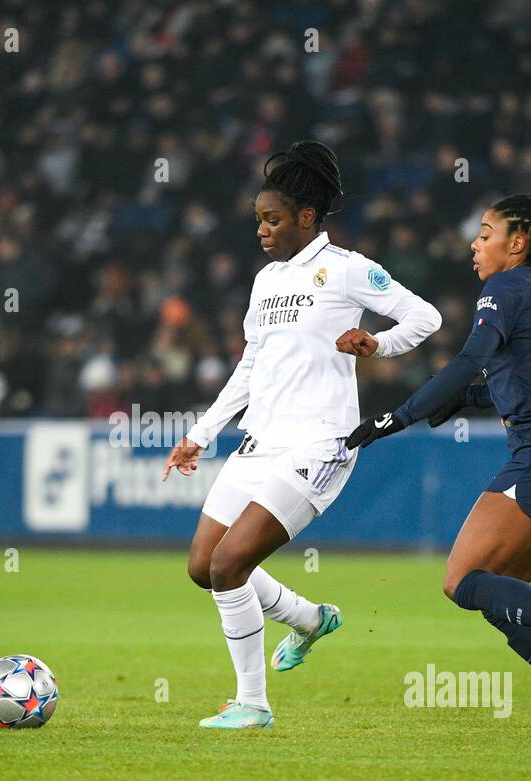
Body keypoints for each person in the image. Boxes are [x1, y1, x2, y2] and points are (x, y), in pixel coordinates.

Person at [162, 141, 441, 730]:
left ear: (307, 217)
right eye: (259, 220)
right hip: (259, 443)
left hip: (320, 444)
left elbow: (425, 316)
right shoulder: (265, 282)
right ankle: (311, 619)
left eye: (272, 219)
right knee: (202, 564)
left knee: (230, 564)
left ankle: (252, 703)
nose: (262, 230)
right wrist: (201, 432)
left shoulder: (346, 269)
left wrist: (378, 344)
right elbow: (249, 366)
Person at [347, 187, 531, 732]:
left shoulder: (503, 288)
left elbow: (468, 361)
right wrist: (475, 399)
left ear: (517, 243)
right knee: (506, 599)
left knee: (462, 580)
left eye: (485, 235)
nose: (473, 246)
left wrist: (397, 417)